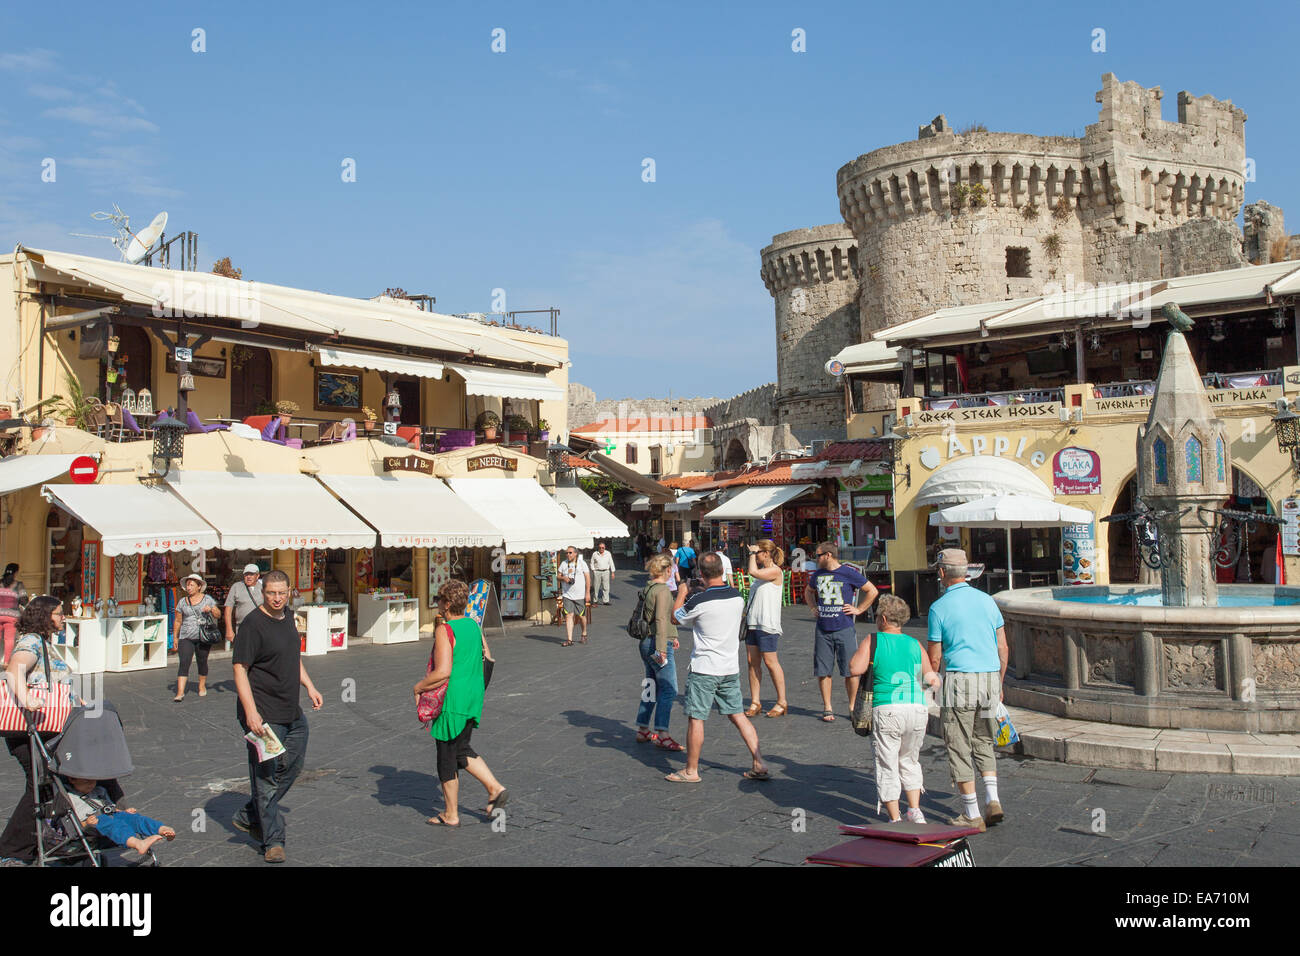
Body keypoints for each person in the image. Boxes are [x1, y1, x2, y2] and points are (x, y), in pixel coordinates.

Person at [0, 596, 114, 866]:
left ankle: (50, 842)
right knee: (41, 786)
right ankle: (13, 849)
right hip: (29, 727)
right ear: (44, 616)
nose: (63, 617)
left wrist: (77, 701)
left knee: (49, 785)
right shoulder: (31, 642)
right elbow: (16, 669)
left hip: (46, 725)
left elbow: (53, 683)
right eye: (59, 613)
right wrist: (27, 698)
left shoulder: (44, 642)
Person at [231, 570, 323, 863]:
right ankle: (273, 841)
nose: (277, 598)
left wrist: (309, 685)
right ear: (263, 592)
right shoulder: (252, 625)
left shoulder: (288, 618)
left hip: (291, 710)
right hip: (263, 713)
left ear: (289, 591)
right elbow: (240, 669)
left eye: (282, 593)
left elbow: (292, 657)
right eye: (271, 593)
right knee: (266, 778)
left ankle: (250, 813)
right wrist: (251, 713)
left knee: (293, 765)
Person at [664, 553, 769, 784]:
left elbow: (675, 617)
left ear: (701, 573)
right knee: (738, 715)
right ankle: (759, 761)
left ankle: (691, 770)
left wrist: (683, 592)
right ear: (723, 570)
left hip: (705, 667)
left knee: (696, 718)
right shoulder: (736, 596)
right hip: (730, 667)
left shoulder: (698, 601)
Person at [926, 549, 1007, 831]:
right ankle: (993, 800)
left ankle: (972, 813)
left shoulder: (938, 607)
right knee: (984, 739)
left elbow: (934, 657)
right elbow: (1002, 647)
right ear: (967, 573)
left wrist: (929, 685)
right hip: (989, 679)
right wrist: (999, 683)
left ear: (942, 573)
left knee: (959, 743)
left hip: (961, 680)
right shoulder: (987, 601)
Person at [415, 579, 507, 827]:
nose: (438, 604)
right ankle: (494, 788)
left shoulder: (446, 630)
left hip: (452, 699)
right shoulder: (473, 626)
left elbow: (443, 672)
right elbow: (487, 657)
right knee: (461, 749)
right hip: (473, 695)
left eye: (439, 600)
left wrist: (419, 687)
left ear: (446, 603)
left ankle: (451, 813)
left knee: (446, 755)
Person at [848, 594, 939, 823]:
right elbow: (931, 679)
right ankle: (915, 810)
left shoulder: (873, 641)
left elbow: (854, 668)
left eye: (878, 615)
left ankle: (895, 818)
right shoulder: (914, 644)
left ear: (885, 619)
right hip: (917, 709)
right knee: (909, 760)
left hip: (887, 708)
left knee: (887, 762)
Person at [804, 542, 878, 722]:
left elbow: (872, 591)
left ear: (828, 555)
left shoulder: (848, 573)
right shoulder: (818, 574)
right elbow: (808, 591)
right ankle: (827, 707)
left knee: (851, 671)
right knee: (823, 671)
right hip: (823, 628)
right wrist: (813, 607)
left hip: (844, 627)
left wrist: (859, 609)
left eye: (818, 555)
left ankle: (852, 707)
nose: (816, 558)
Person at [633, 554, 682, 752]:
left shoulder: (648, 588)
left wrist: (674, 635)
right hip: (657, 642)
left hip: (646, 642)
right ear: (668, 571)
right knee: (669, 688)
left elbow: (655, 617)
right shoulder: (662, 591)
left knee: (651, 685)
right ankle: (663, 733)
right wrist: (663, 648)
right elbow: (662, 620)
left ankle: (643, 727)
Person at [62, 776, 176, 857]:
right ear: (72, 779)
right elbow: (74, 821)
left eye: (93, 780)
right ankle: (138, 843)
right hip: (93, 824)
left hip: (111, 814)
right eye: (87, 781)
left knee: (134, 818)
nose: (91, 784)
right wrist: (87, 823)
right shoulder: (70, 797)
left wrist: (124, 811)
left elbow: (110, 807)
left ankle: (160, 829)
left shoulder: (99, 790)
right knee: (111, 823)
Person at [743, 539, 788, 719]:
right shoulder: (763, 572)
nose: (756, 555)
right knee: (752, 661)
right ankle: (755, 701)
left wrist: (751, 554)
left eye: (759, 552)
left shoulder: (775, 571)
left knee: (770, 662)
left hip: (767, 624)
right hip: (753, 623)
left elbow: (752, 571)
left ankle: (782, 701)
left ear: (766, 553)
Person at [172, 573, 221, 702]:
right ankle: (180, 692)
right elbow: (178, 620)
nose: (189, 587)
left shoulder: (207, 599)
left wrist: (211, 609)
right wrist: (175, 637)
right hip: (186, 636)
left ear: (199, 586)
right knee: (184, 662)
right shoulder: (182, 602)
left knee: (202, 661)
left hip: (203, 636)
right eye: (187, 585)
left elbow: (218, 614)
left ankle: (201, 685)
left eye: (191, 585)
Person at [558, 546, 591, 646]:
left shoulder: (582, 563)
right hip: (567, 595)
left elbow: (588, 578)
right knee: (569, 616)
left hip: (580, 595)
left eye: (570, 552)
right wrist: (563, 578)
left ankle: (584, 633)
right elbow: (558, 576)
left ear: (575, 553)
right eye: (567, 553)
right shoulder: (563, 563)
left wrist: (588, 592)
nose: (568, 554)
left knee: (581, 616)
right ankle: (569, 640)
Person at [224, 563, 263, 644]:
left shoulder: (264, 587)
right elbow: (228, 609)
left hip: (261, 628)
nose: (248, 577)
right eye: (246, 574)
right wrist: (229, 630)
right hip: (243, 628)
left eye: (251, 574)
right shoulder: (236, 586)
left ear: (257, 575)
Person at [0, 564, 29, 664]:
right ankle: (6, 662)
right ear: (16, 573)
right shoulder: (18, 585)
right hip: (12, 616)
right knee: (9, 639)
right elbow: (24, 600)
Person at [589, 541, 616, 605]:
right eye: (600, 547)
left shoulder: (608, 553)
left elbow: (611, 563)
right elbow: (591, 563)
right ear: (598, 548)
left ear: (605, 548)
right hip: (597, 571)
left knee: (606, 587)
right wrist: (593, 570)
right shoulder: (595, 554)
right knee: (596, 587)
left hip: (606, 571)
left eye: (602, 548)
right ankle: (595, 600)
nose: (601, 549)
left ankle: (606, 601)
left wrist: (613, 572)